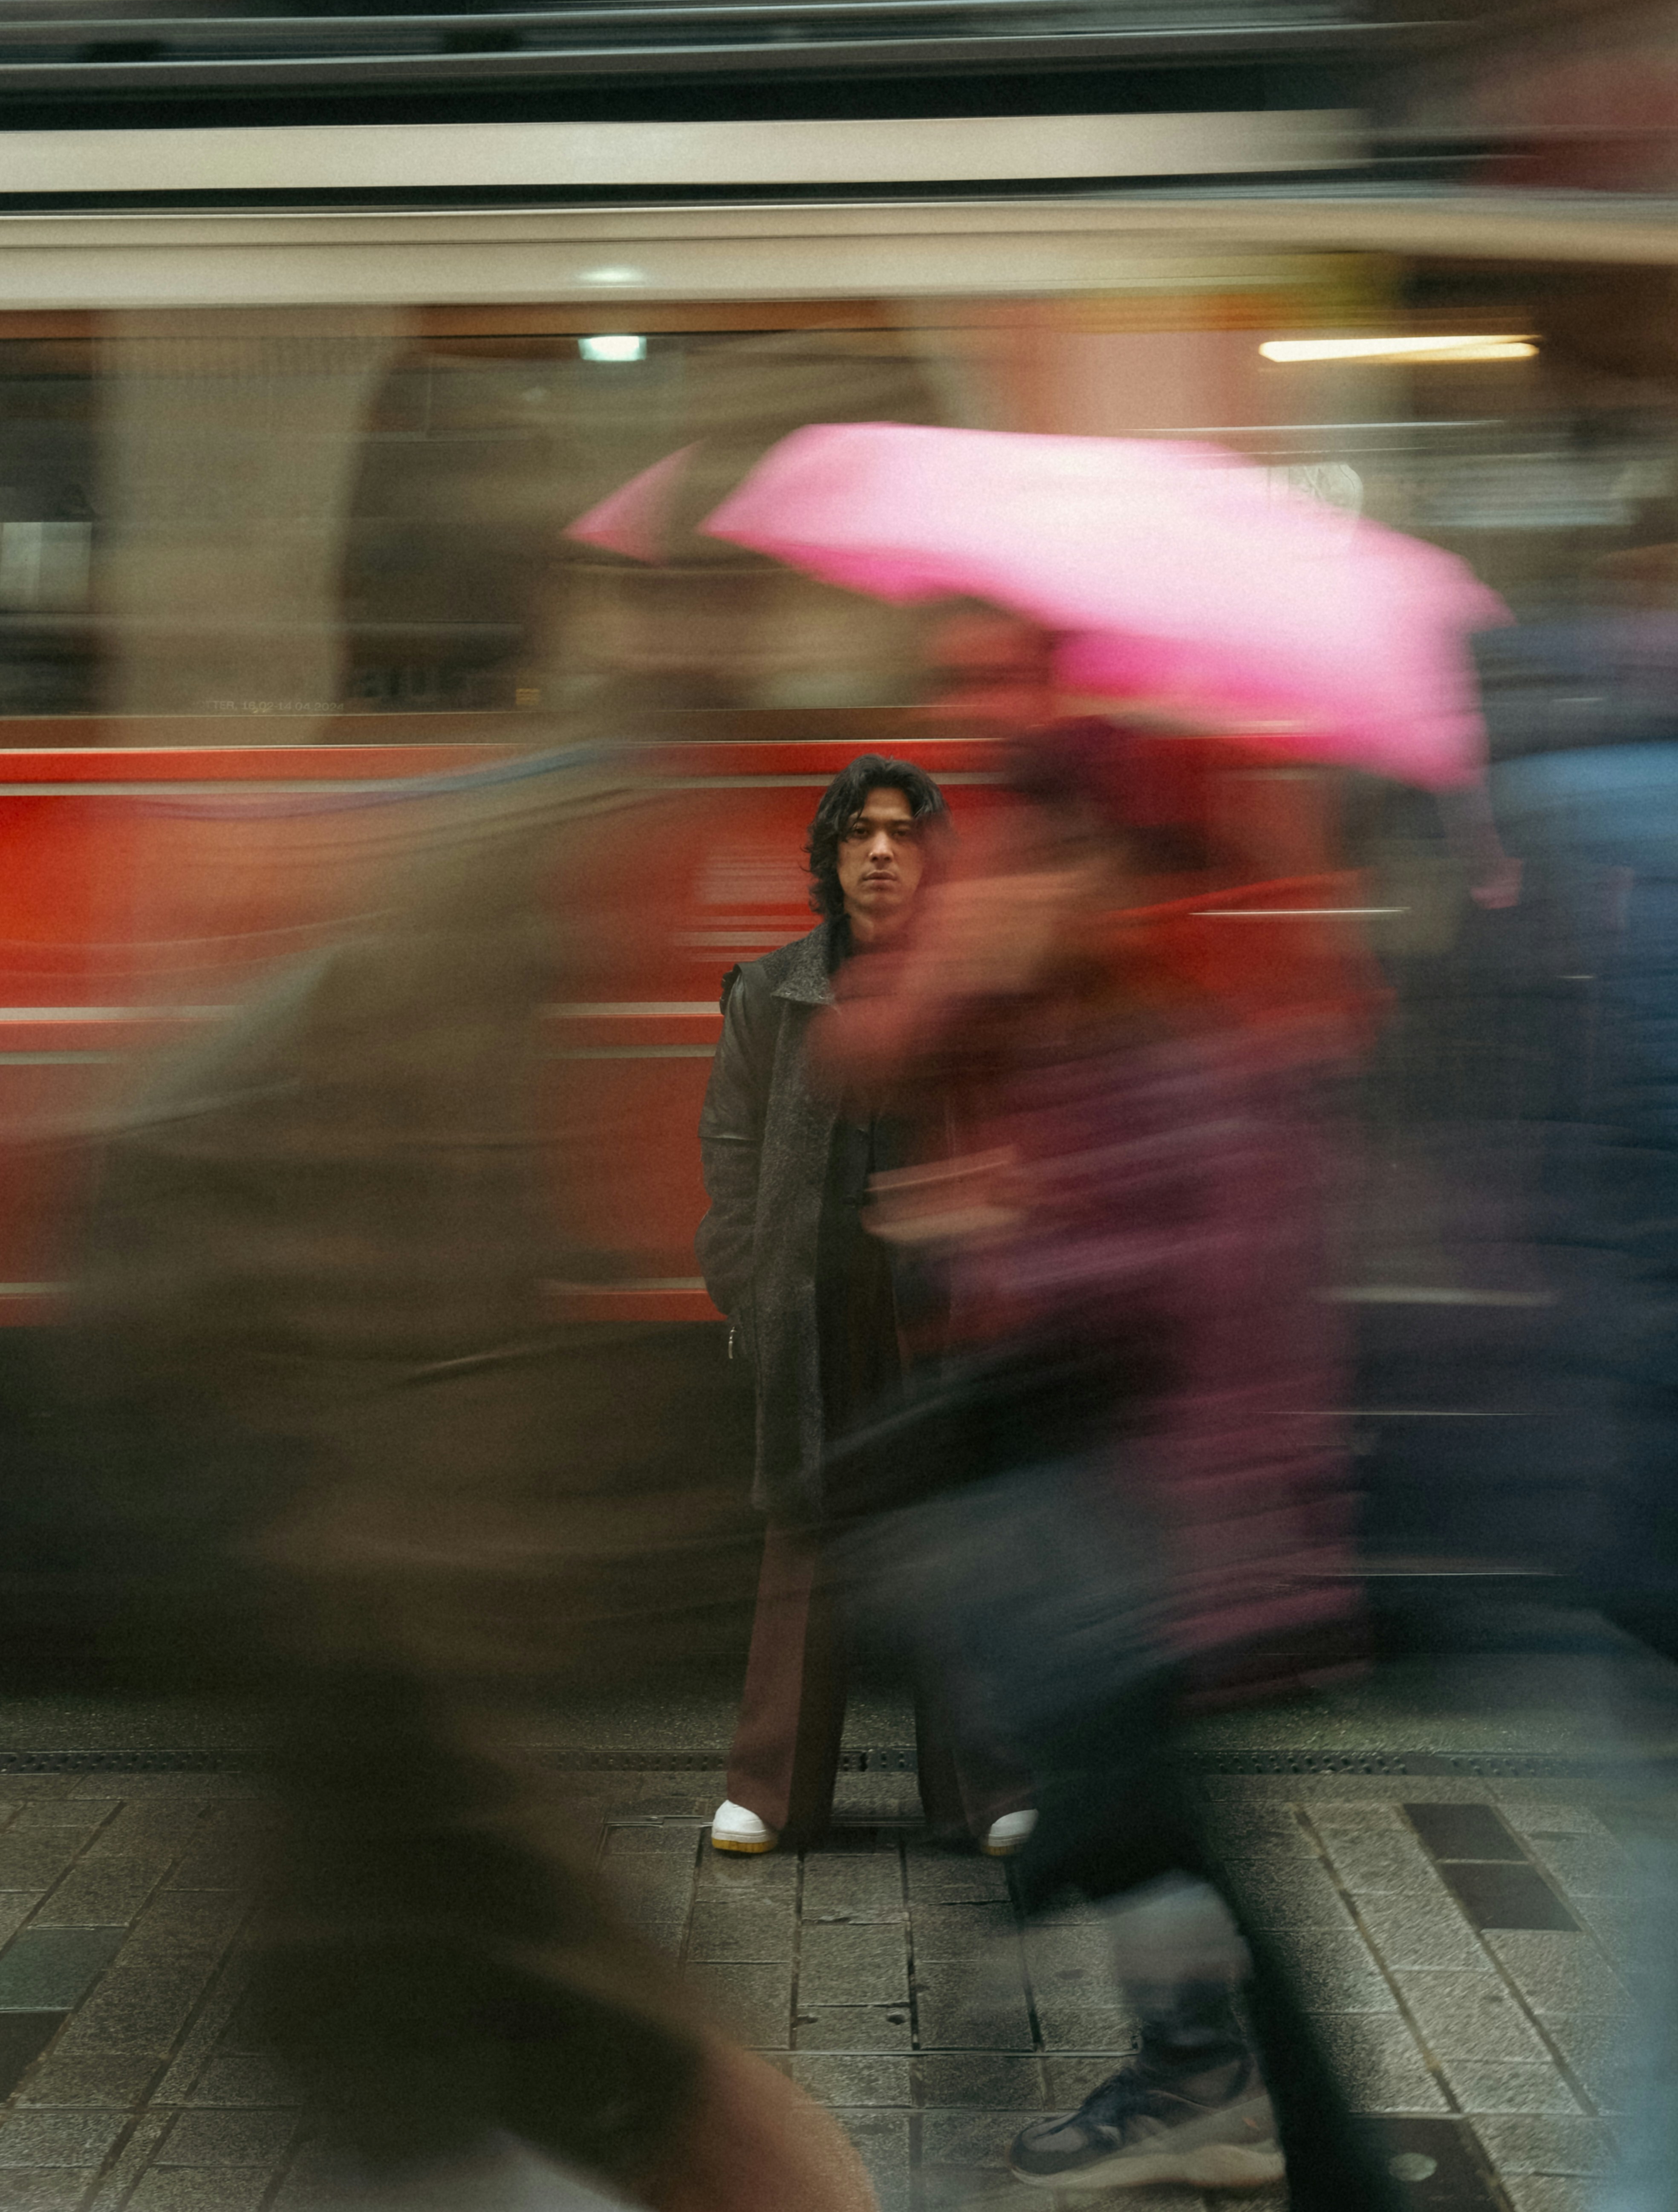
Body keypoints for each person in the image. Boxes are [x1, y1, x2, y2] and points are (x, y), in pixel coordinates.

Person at [28, 749, 881, 2212]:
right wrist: (667, 2060)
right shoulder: (400, 1105)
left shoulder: (374, 1071)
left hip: (398, 1923)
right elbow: (408, 1608)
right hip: (414, 1907)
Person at [811, 717, 1397, 2205]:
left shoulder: (1182, 1020)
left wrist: (1008, 1236)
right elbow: (858, 1054)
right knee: (1132, 1835)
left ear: (1117, 858)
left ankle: (1233, 2116)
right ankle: (1217, 2097)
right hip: (1110, 1523)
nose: (1012, 874)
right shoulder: (1097, 1007)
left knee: (1097, 1835)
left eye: (1052, 846)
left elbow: (1184, 1276)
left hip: (1152, 1527)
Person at [696, 753, 1035, 1860]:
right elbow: (731, 1153)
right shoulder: (768, 991)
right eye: (857, 834)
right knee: (805, 1537)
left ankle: (984, 1789)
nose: (880, 853)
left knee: (955, 1531)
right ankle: (773, 1791)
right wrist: (745, 1281)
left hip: (936, 1308)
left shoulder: (974, 992)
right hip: (814, 1306)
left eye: (899, 833)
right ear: (829, 856)